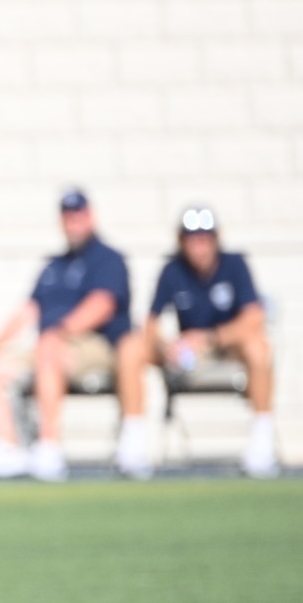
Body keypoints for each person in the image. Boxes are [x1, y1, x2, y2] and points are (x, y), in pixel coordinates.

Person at [0, 189, 144, 481]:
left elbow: (101, 306)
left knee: (49, 345)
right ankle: (8, 447)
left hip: (93, 347)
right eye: (67, 217)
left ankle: (49, 447)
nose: (73, 222)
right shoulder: (53, 265)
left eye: (78, 215)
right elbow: (27, 311)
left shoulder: (107, 259)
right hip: (47, 347)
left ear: (90, 216)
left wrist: (60, 332)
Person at [117, 205, 279, 478]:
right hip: (185, 355)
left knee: (258, 345)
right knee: (131, 347)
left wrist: (209, 338)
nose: (199, 246)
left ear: (216, 239)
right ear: (182, 241)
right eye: (192, 239)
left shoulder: (234, 265)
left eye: (205, 238)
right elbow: (151, 322)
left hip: (225, 347)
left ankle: (263, 442)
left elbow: (254, 317)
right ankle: (132, 444)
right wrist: (166, 346)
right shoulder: (172, 269)